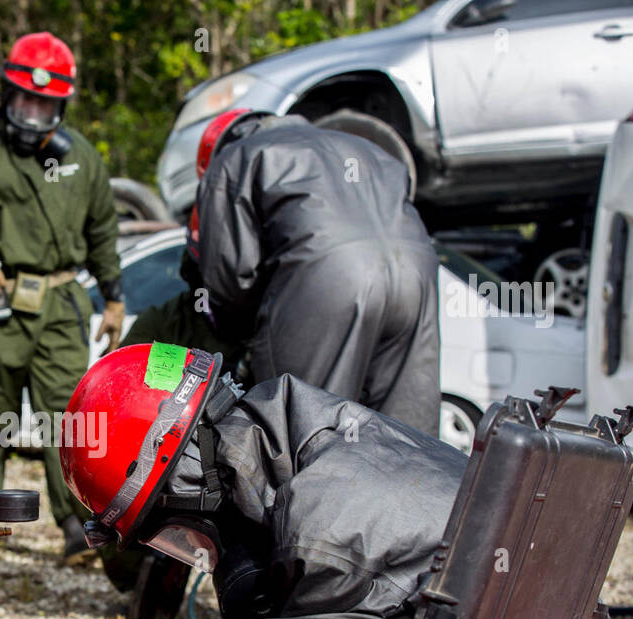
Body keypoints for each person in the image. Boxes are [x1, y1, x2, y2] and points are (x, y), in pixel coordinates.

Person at [60, 343, 622, 619]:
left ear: (184, 476)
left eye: (172, 534)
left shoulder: (314, 536)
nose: (191, 553)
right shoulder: (310, 425)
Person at [125, 109, 441, 436]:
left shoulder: (235, 158)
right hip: (417, 273)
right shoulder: (361, 146)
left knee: (302, 432)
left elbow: (230, 280)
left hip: (327, 278)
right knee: (407, 437)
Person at [0, 32, 124, 563]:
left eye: (45, 103)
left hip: (60, 307)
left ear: (61, 105)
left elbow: (104, 231)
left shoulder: (83, 161)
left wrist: (115, 297)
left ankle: (78, 529)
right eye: (24, 99)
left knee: (67, 420)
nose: (32, 112)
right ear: (6, 94)